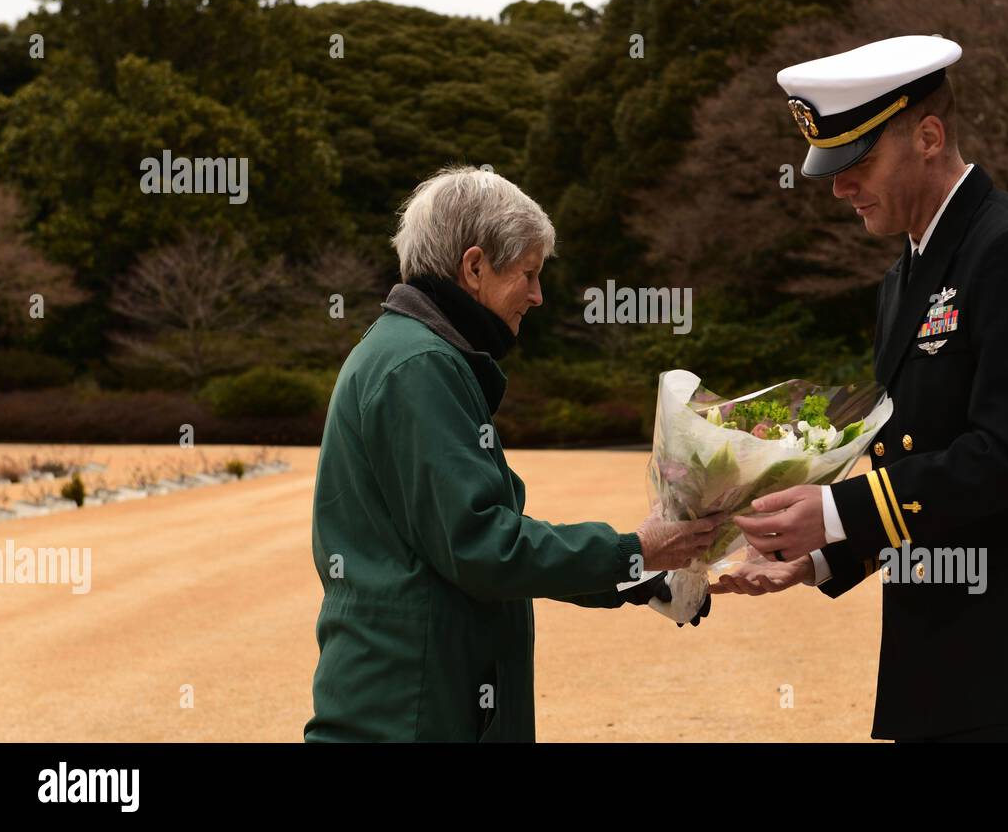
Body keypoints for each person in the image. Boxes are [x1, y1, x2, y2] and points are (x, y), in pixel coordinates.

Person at [713, 36, 1008, 742]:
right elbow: (915, 462)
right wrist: (818, 555)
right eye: (833, 168)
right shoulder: (902, 278)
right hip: (949, 661)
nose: (839, 186)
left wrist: (834, 509)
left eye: (857, 162)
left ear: (929, 136)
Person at [304, 166, 717, 743]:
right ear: (474, 267)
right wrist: (637, 549)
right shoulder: (420, 365)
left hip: (416, 705)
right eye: (528, 273)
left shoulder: (417, 355)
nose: (538, 295)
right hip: (416, 716)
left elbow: (476, 546)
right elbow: (483, 547)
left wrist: (637, 575)